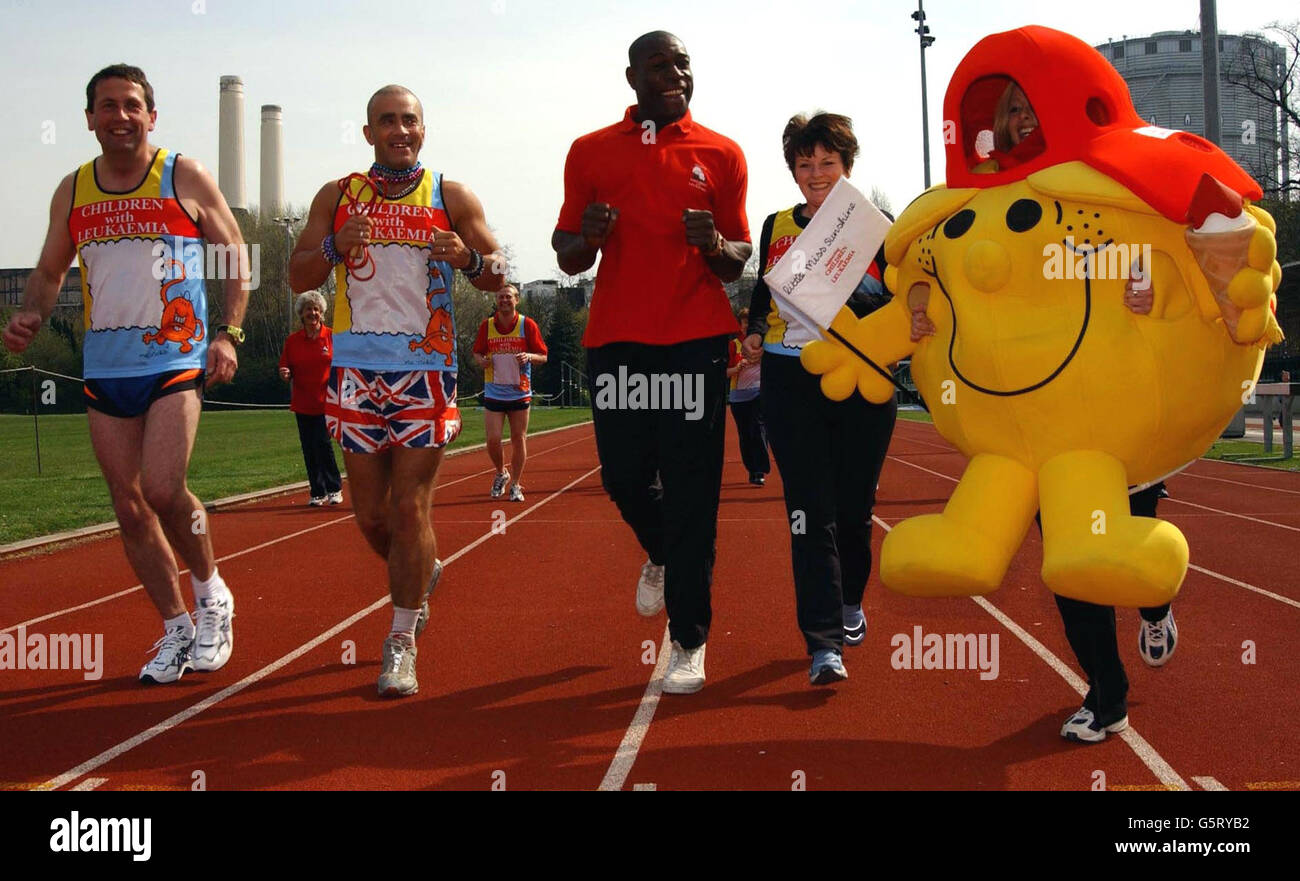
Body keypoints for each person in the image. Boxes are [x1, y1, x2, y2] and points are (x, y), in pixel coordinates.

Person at [913, 81, 1177, 741]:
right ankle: (1106, 691)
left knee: (1128, 541)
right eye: (1013, 111)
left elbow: (1149, 240)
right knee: (1069, 557)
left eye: (1035, 105)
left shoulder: (1095, 179)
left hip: (1118, 405)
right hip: (1040, 421)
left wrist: (1148, 281)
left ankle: (1157, 605)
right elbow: (924, 255)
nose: (1024, 118)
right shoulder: (985, 193)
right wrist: (918, 295)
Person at [2, 64, 247, 684]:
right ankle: (174, 627)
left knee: (163, 488)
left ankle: (212, 593)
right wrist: (31, 310)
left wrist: (229, 331)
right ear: (89, 118)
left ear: (151, 115)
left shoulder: (182, 174)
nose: (120, 116)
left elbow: (236, 252)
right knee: (130, 507)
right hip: (105, 369)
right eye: (107, 106)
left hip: (175, 357)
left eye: (131, 104)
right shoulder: (74, 189)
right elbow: (51, 269)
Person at [289, 84, 506, 698]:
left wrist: (466, 259)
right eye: (387, 122)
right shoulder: (338, 195)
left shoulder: (449, 194)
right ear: (368, 133)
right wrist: (336, 245)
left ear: (423, 129)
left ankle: (401, 639)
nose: (400, 130)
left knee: (411, 507)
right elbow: (297, 273)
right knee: (372, 516)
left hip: (426, 370)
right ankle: (421, 571)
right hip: (355, 372)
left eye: (409, 120)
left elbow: (497, 274)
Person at [552, 31, 752, 695]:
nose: (676, 75)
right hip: (619, 343)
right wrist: (591, 236)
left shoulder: (721, 153)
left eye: (684, 64)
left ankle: (689, 639)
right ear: (633, 76)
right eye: (660, 65)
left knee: (694, 493)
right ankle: (661, 550)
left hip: (696, 343)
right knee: (623, 475)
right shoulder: (589, 151)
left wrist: (718, 244)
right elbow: (566, 252)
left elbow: (738, 256)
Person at [744, 112, 897, 686]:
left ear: (847, 166)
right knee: (809, 513)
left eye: (827, 164)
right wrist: (757, 328)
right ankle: (823, 642)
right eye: (804, 165)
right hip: (790, 378)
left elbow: (902, 291)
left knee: (854, 511)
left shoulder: (876, 226)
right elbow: (764, 284)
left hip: (860, 376)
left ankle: (850, 601)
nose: (815, 174)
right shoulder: (777, 222)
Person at [471, 283, 548, 502]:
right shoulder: (487, 326)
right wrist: (481, 361)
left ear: (517, 300)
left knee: (518, 438)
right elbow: (476, 352)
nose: (504, 300)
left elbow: (543, 356)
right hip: (494, 391)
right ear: (496, 301)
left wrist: (529, 357)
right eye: (500, 297)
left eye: (508, 297)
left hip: (519, 392)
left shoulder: (527, 325)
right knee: (493, 439)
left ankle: (516, 484)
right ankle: (500, 472)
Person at [278, 290, 343, 506]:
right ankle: (317, 491)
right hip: (303, 403)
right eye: (308, 309)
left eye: (316, 309)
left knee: (323, 445)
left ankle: (334, 488)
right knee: (309, 448)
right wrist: (285, 372)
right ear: (301, 313)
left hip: (326, 402)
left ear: (322, 313)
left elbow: (342, 365)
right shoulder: (293, 341)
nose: (312, 313)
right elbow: (285, 365)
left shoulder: (332, 337)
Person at [727, 308, 769, 486]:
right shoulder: (733, 345)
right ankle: (751, 469)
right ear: (740, 325)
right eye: (745, 323)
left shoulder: (764, 343)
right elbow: (724, 372)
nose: (747, 327)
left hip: (759, 392)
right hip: (738, 397)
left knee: (758, 429)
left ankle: (760, 469)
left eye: (751, 323)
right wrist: (737, 368)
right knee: (745, 434)